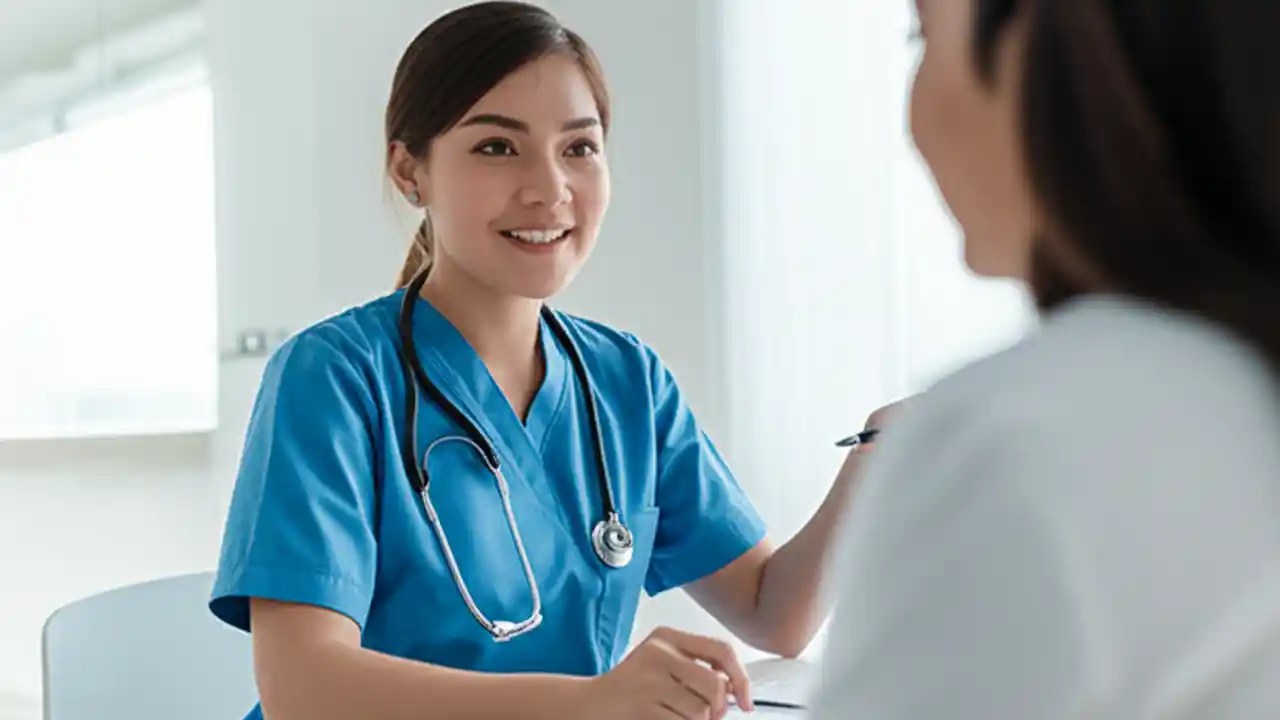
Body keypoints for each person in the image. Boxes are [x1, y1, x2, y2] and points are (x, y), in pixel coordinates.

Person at [209, 3, 895, 719]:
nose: (549, 188)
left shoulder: (628, 382)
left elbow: (772, 612)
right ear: (410, 171)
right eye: (497, 149)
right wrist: (592, 702)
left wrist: (876, 458)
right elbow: (303, 688)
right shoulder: (334, 377)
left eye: (579, 148)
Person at [812, 0, 1280, 717]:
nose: (911, 122)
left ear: (1044, 44)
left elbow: (768, 608)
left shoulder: (1024, 429)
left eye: (922, 36)